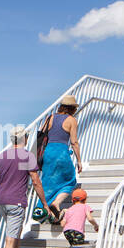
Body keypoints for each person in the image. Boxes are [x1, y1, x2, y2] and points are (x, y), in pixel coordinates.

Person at [0, 125, 48, 248]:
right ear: (25, 139)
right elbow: (36, 181)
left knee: (15, 233)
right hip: (16, 202)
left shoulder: (3, 157)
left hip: (2, 200)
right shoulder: (26, 157)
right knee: (10, 239)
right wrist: (44, 203)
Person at [39, 92, 84, 224]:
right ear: (72, 108)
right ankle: (56, 203)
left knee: (48, 182)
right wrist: (79, 161)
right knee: (70, 181)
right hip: (61, 152)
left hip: (48, 152)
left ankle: (48, 213)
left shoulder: (50, 117)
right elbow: (74, 142)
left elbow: (41, 135)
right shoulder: (71, 120)